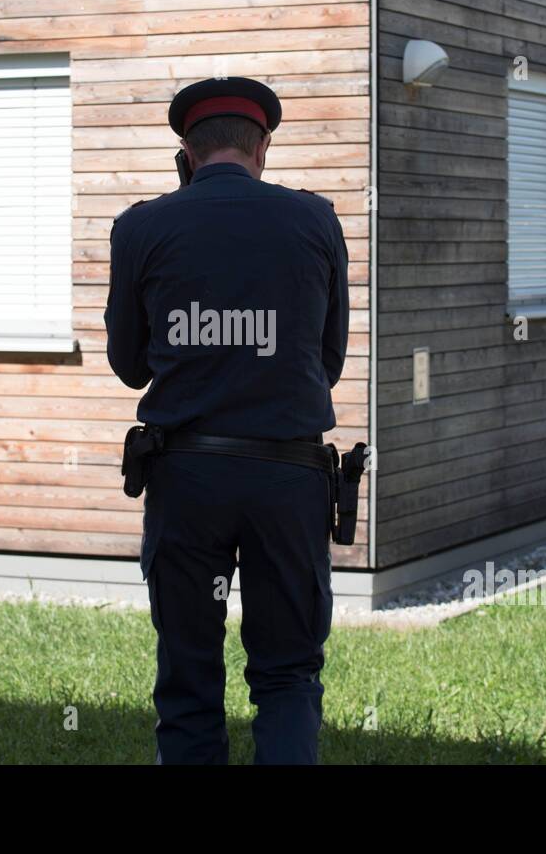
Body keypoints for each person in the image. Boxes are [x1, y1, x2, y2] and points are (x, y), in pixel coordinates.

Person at [103, 76, 351, 764]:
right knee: (287, 674)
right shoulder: (315, 220)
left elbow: (128, 364)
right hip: (289, 480)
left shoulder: (142, 226)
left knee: (188, 679)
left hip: (186, 478)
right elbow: (327, 362)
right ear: (261, 147)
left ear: (186, 151)